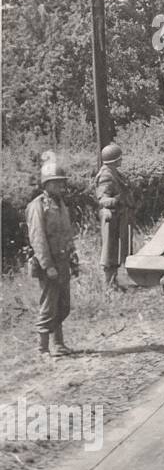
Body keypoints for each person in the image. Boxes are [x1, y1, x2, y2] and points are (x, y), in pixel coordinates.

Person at [26, 152, 78, 358]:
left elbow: (67, 233)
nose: (59, 187)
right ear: (45, 184)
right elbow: (37, 238)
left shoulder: (60, 204)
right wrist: (48, 265)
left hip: (63, 260)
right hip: (49, 264)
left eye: (60, 183)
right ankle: (42, 348)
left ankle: (59, 344)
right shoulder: (37, 206)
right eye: (54, 183)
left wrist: (73, 259)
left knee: (63, 305)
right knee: (48, 306)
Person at [95, 143, 136, 290]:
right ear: (113, 160)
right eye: (119, 157)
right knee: (110, 251)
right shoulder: (106, 175)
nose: (122, 160)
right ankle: (108, 285)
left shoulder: (115, 173)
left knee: (118, 250)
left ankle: (115, 282)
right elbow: (102, 199)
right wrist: (117, 200)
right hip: (112, 219)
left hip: (120, 219)